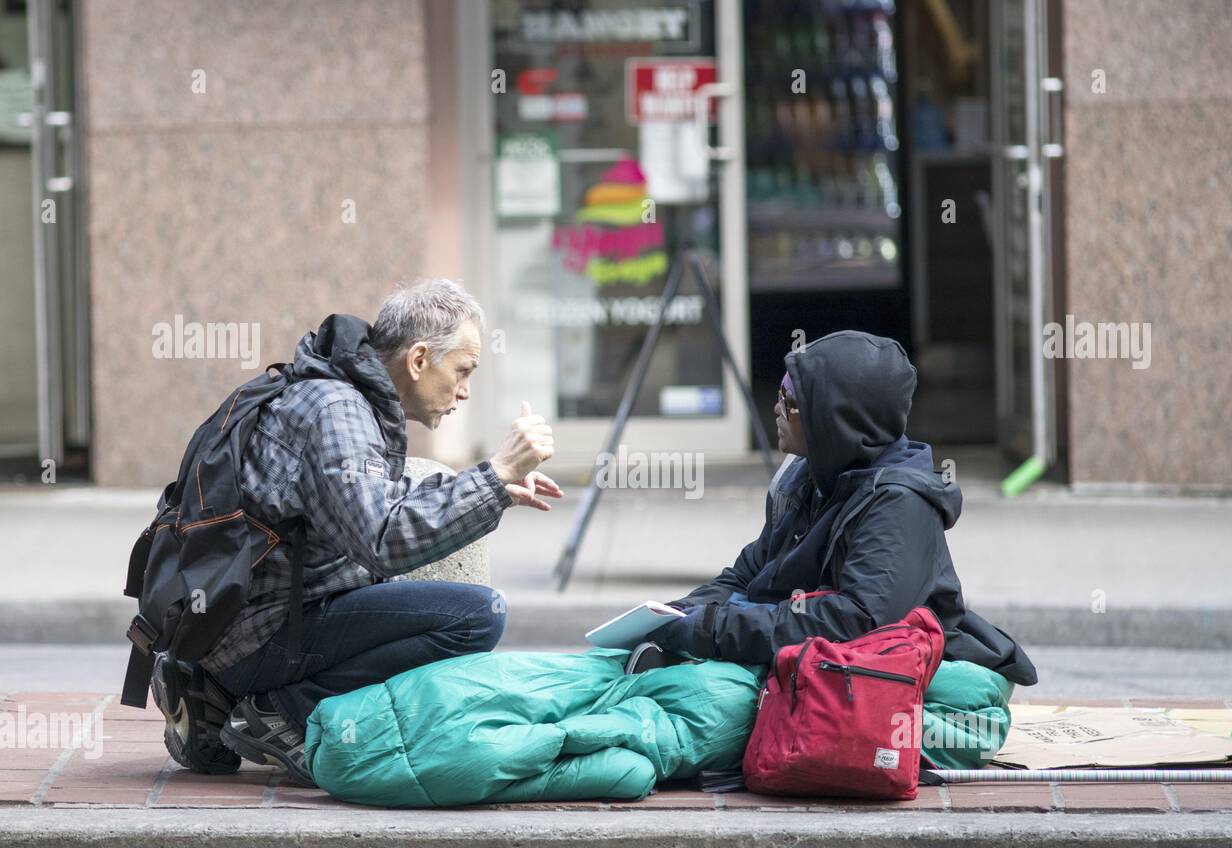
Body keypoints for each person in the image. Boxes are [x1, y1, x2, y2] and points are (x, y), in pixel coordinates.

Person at [152, 279, 562, 786]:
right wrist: (494, 475)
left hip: (237, 625)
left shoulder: (335, 392)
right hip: (259, 634)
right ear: (417, 360)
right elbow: (383, 538)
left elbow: (370, 501)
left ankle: (212, 694)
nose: (464, 391)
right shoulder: (338, 410)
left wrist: (492, 485)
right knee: (478, 616)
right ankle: (278, 711)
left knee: (435, 604)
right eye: (462, 370)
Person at [639, 329, 1038, 691]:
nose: (777, 409)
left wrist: (711, 630)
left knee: (691, 695)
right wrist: (677, 613)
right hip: (812, 655)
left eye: (791, 401)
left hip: (891, 674)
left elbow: (856, 622)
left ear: (838, 418)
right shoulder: (807, 477)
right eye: (779, 394)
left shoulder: (900, 502)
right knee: (630, 667)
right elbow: (750, 573)